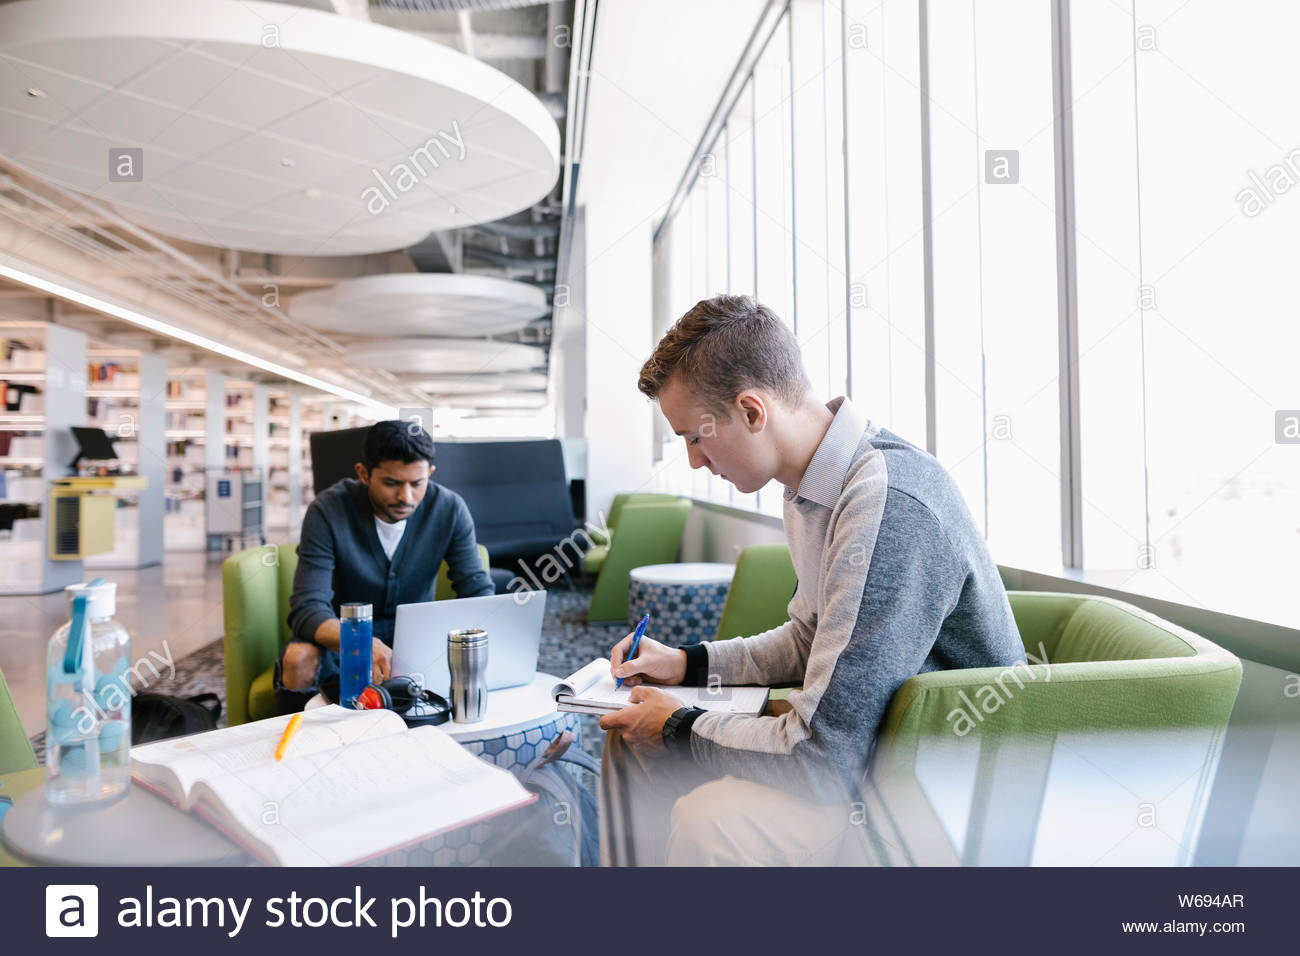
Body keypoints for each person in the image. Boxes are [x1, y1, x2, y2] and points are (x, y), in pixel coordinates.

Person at [597, 294, 1028, 865]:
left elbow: (821, 760)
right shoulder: (810, 491)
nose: (695, 461)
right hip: (868, 740)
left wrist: (679, 726)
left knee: (708, 819)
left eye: (694, 437)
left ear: (752, 412)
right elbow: (808, 639)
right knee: (627, 735)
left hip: (928, 776)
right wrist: (686, 663)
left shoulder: (886, 502)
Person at [275, 420, 494, 713]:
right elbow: (307, 609)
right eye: (391, 483)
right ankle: (298, 750)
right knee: (297, 657)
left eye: (417, 484)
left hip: (419, 644)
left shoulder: (450, 509)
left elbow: (476, 591)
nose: (405, 497)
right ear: (363, 474)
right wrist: (363, 642)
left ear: (429, 473)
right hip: (343, 646)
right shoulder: (327, 511)